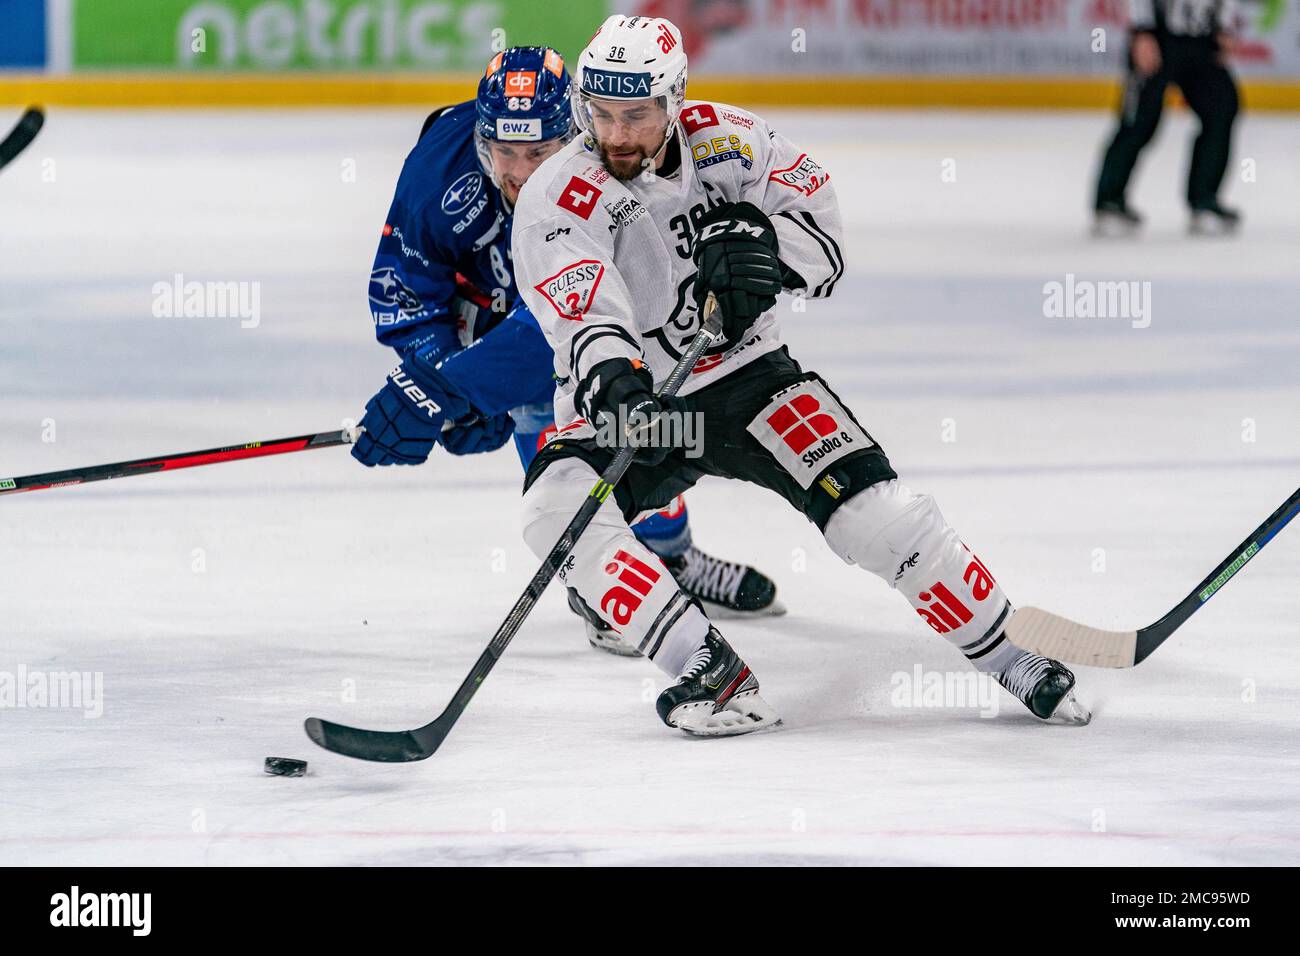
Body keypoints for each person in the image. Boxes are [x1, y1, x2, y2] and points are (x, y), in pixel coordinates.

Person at [507, 14, 1089, 736]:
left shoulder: (733, 141)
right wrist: (618, 384)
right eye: (602, 114)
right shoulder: (555, 197)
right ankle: (708, 670)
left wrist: (768, 254)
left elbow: (823, 231)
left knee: (879, 516)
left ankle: (1011, 653)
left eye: (638, 113)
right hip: (643, 397)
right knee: (554, 511)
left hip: (748, 379)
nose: (618, 133)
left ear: (673, 101)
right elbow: (583, 307)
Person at [351, 46, 783, 655]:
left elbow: (572, 314)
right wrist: (445, 381)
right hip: (489, 308)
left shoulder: (608, 173)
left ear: (572, 135)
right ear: (482, 142)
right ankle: (601, 577)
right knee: (544, 424)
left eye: (539, 154)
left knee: (624, 412)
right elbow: (408, 288)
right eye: (506, 152)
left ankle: (673, 556)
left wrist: (459, 390)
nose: (523, 172)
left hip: (586, 308)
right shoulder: (437, 173)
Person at [1094, 0, 1242, 235]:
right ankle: (1109, 203)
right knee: (1139, 121)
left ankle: (1204, 202)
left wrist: (1224, 27)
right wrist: (1141, 31)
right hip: (1158, 36)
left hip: (1202, 38)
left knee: (1221, 110)